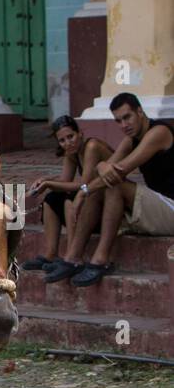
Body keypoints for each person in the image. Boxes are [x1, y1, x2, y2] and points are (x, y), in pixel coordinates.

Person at [45, 93, 174, 286]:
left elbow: (121, 169)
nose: (124, 125)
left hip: (171, 207)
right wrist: (100, 169)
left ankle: (101, 259)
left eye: (127, 117)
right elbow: (108, 169)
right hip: (159, 204)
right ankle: (73, 257)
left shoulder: (159, 132)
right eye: (118, 121)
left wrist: (84, 190)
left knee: (113, 184)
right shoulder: (130, 140)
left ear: (140, 111)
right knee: (102, 185)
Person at [23, 115, 113, 271]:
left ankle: (72, 257)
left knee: (68, 201)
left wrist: (50, 183)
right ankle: (51, 254)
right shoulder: (71, 152)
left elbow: (84, 184)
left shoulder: (92, 146)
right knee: (51, 199)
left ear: (80, 134)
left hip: (104, 205)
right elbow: (65, 181)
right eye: (62, 140)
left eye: (71, 137)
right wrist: (46, 180)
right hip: (87, 198)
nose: (67, 143)